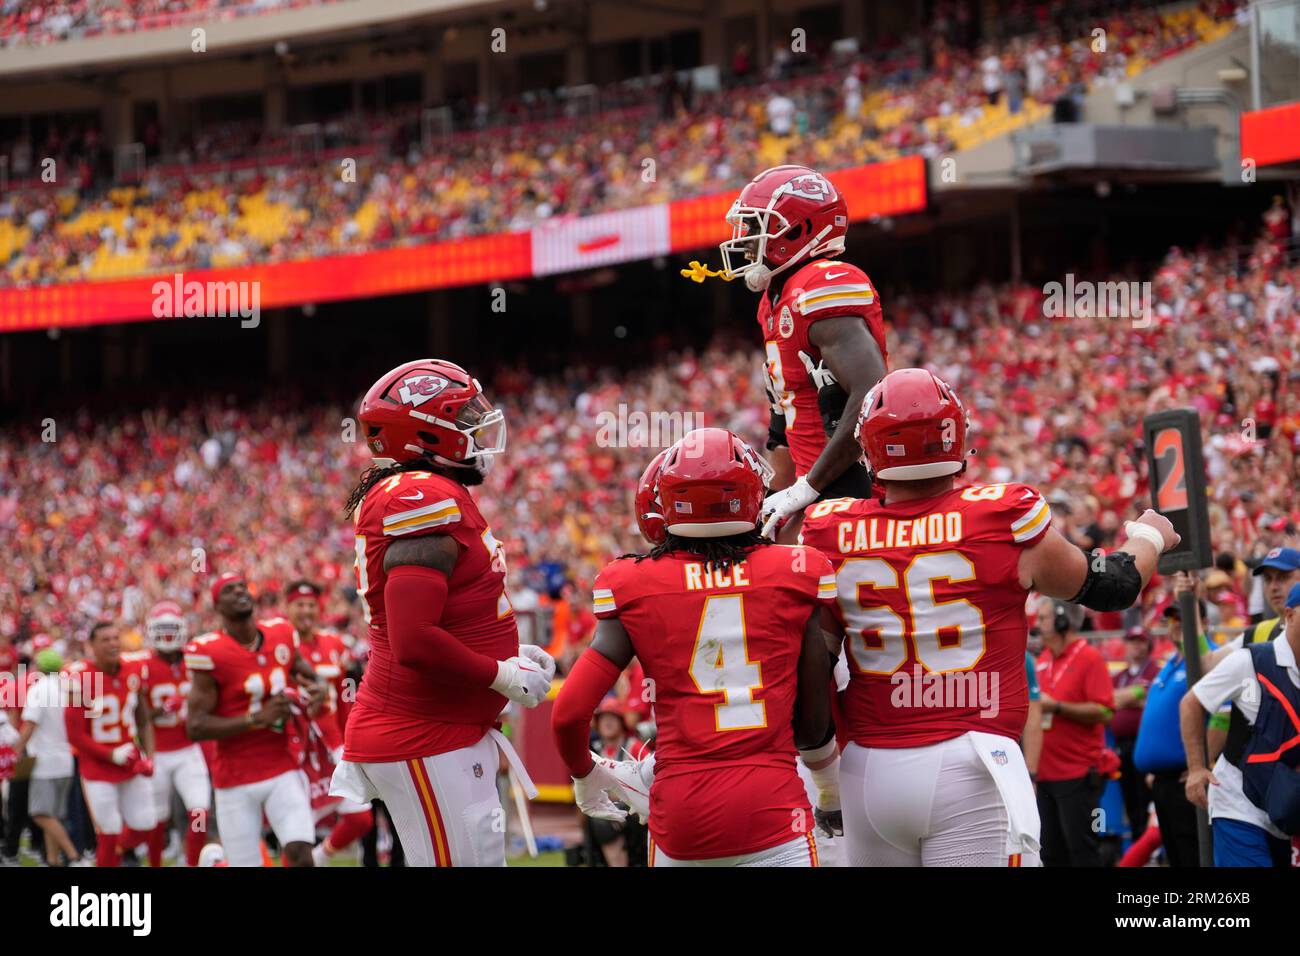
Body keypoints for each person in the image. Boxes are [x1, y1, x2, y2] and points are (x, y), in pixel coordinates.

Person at [798, 368, 1178, 867]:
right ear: (955, 438)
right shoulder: (1002, 514)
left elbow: (814, 674)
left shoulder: (828, 527)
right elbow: (1113, 585)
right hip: (973, 762)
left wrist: (824, 778)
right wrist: (1150, 535)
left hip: (869, 769)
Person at [553, 427, 838, 867]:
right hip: (774, 811)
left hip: (680, 818)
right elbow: (813, 723)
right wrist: (829, 788)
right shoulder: (796, 571)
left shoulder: (631, 581)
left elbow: (569, 712)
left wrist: (584, 773)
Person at [329, 359, 555, 867]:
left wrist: (507, 654)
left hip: (445, 728)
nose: (479, 427)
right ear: (426, 437)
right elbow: (414, 639)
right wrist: (500, 674)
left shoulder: (438, 494)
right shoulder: (422, 496)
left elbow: (448, 611)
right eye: (464, 417)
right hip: (421, 730)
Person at [705, 164, 889, 531]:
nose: (744, 240)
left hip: (850, 489)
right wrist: (773, 496)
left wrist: (809, 486)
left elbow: (872, 393)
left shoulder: (821, 283)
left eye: (757, 227)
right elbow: (786, 419)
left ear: (800, 229)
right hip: (816, 488)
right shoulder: (775, 299)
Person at [185, 573, 324, 867]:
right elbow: (195, 726)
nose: (238, 592)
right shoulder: (209, 651)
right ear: (217, 606)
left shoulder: (281, 633)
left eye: (241, 587)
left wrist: (319, 689)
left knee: (301, 854)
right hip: (234, 777)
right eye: (228, 591)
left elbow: (307, 673)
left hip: (281, 765)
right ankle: (217, 863)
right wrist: (255, 719)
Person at [1181, 581, 1300, 867]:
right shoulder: (1251, 659)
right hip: (1238, 805)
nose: (1273, 584)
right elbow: (1191, 702)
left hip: (1285, 812)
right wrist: (1196, 768)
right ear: (1290, 615)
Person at [282, 580, 374, 867]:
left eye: (311, 605)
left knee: (361, 817)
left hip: (332, 745)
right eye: (300, 605)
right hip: (297, 752)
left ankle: (321, 857)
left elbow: (347, 700)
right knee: (297, 834)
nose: (306, 611)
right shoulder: (280, 647)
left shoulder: (335, 645)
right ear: (289, 608)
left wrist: (350, 739)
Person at [64, 621, 158, 867]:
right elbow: (75, 735)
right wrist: (111, 755)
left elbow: (144, 720)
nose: (113, 644)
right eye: (105, 639)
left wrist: (149, 756)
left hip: (130, 761)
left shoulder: (134, 669)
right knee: (108, 829)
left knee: (146, 823)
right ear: (92, 645)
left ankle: (114, 853)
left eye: (116, 638)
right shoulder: (80, 677)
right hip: (97, 767)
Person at [1132, 586, 1211, 867]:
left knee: (1192, 854)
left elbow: (1220, 713)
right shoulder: (1171, 662)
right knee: (1175, 855)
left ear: (1205, 623)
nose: (1177, 625)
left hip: (1186, 779)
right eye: (1172, 620)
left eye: (1184, 617)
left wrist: (1203, 762)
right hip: (1164, 780)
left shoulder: (1207, 658)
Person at [1034, 598, 1114, 867]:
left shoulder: (1089, 657)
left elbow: (1105, 711)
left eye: (1043, 618)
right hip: (1045, 775)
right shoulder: (1043, 659)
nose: (1038, 623)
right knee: (1050, 855)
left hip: (1077, 774)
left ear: (1061, 620)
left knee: (1083, 852)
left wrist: (1056, 707)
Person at [139, 600, 211, 867]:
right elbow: (137, 716)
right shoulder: (142, 666)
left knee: (200, 812)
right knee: (157, 819)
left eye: (172, 628)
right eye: (162, 628)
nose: (168, 634)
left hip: (188, 749)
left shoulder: (196, 660)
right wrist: (162, 709)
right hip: (158, 752)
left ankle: (192, 863)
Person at [15, 648, 85, 866]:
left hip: (45, 761)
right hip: (65, 759)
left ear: (39, 668)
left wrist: (16, 751)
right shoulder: (67, 688)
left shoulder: (39, 689)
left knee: (40, 814)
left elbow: (30, 724)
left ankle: (74, 857)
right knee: (53, 815)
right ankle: (53, 860)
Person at [1111, 626, 1159, 842]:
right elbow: (1108, 700)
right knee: (1129, 798)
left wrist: (1123, 698)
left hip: (1145, 743)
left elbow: (1147, 696)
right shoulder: (1120, 675)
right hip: (1121, 744)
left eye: (1141, 641)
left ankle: (1148, 847)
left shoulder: (1153, 671)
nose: (1136, 645)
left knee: (1144, 798)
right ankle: (1137, 845)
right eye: (1132, 640)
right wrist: (1131, 697)